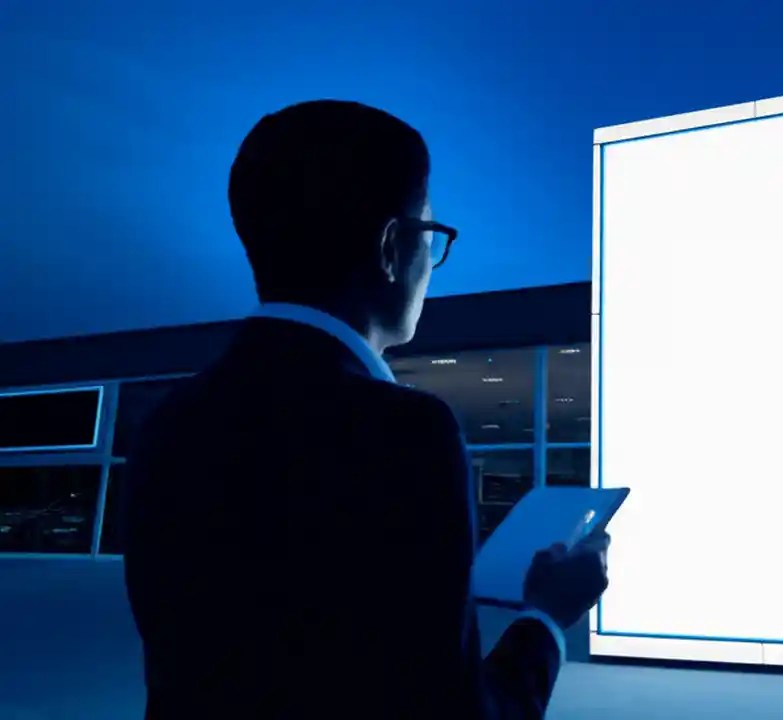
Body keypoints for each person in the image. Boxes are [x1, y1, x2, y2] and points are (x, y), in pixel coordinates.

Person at [121, 100, 609, 718]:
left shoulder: (170, 422)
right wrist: (545, 616)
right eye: (430, 238)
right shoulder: (403, 433)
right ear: (390, 247)